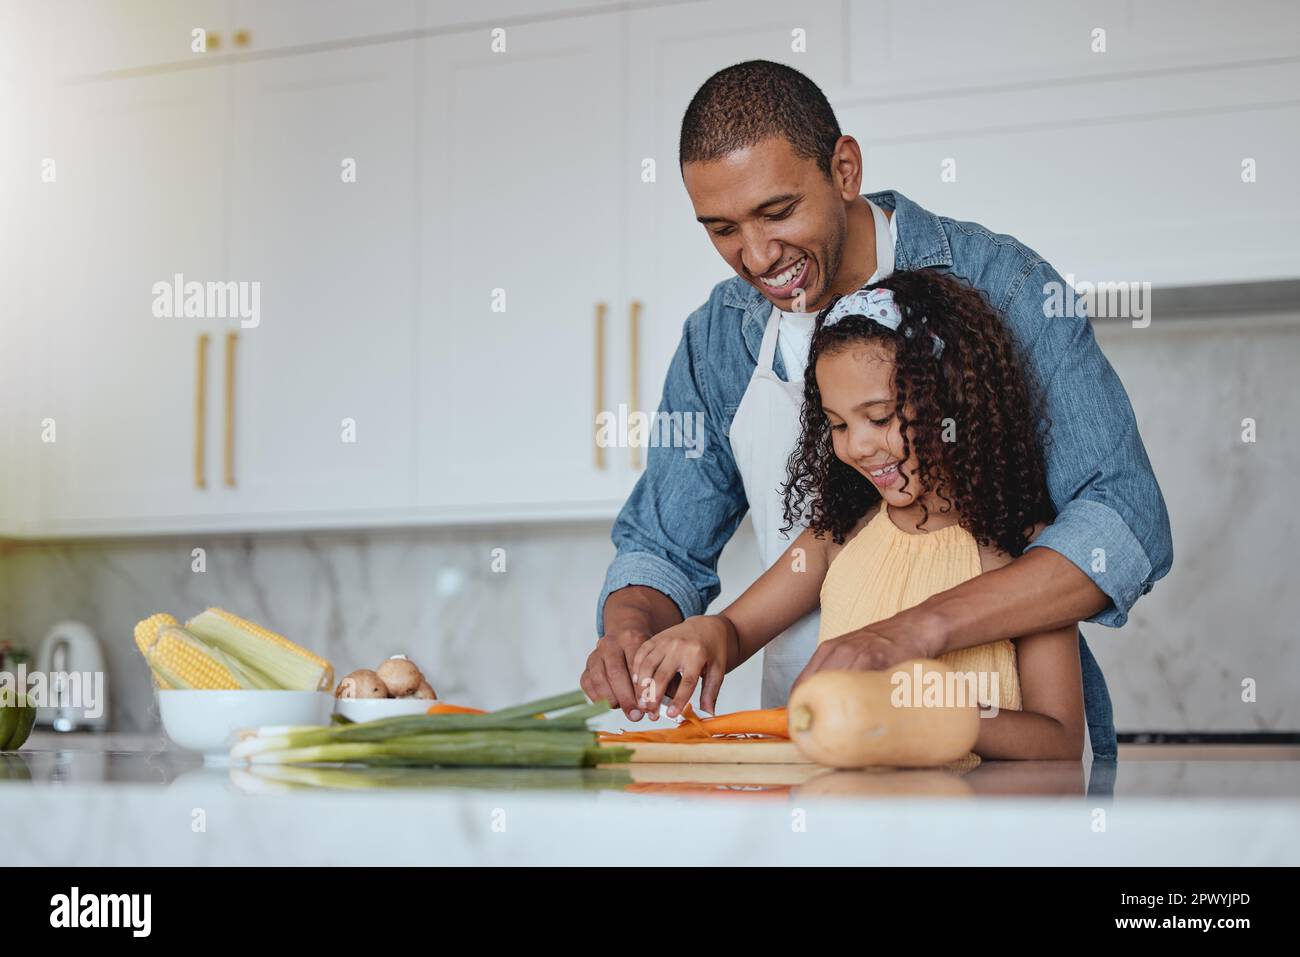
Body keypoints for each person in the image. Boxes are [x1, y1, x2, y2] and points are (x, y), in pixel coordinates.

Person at [581, 60, 1172, 762]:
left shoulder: (1001, 286)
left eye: (778, 211)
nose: (757, 256)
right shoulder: (720, 338)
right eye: (721, 229)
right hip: (817, 756)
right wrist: (630, 630)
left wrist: (912, 633)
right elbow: (662, 548)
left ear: (845, 169)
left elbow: (1124, 517)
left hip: (1004, 775)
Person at [629, 271, 1085, 760]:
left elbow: (1058, 738)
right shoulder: (837, 537)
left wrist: (935, 714)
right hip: (847, 805)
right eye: (839, 425)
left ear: (952, 398)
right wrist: (707, 633)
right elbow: (737, 631)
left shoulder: (1028, 554)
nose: (859, 446)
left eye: (880, 417)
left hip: (980, 809)